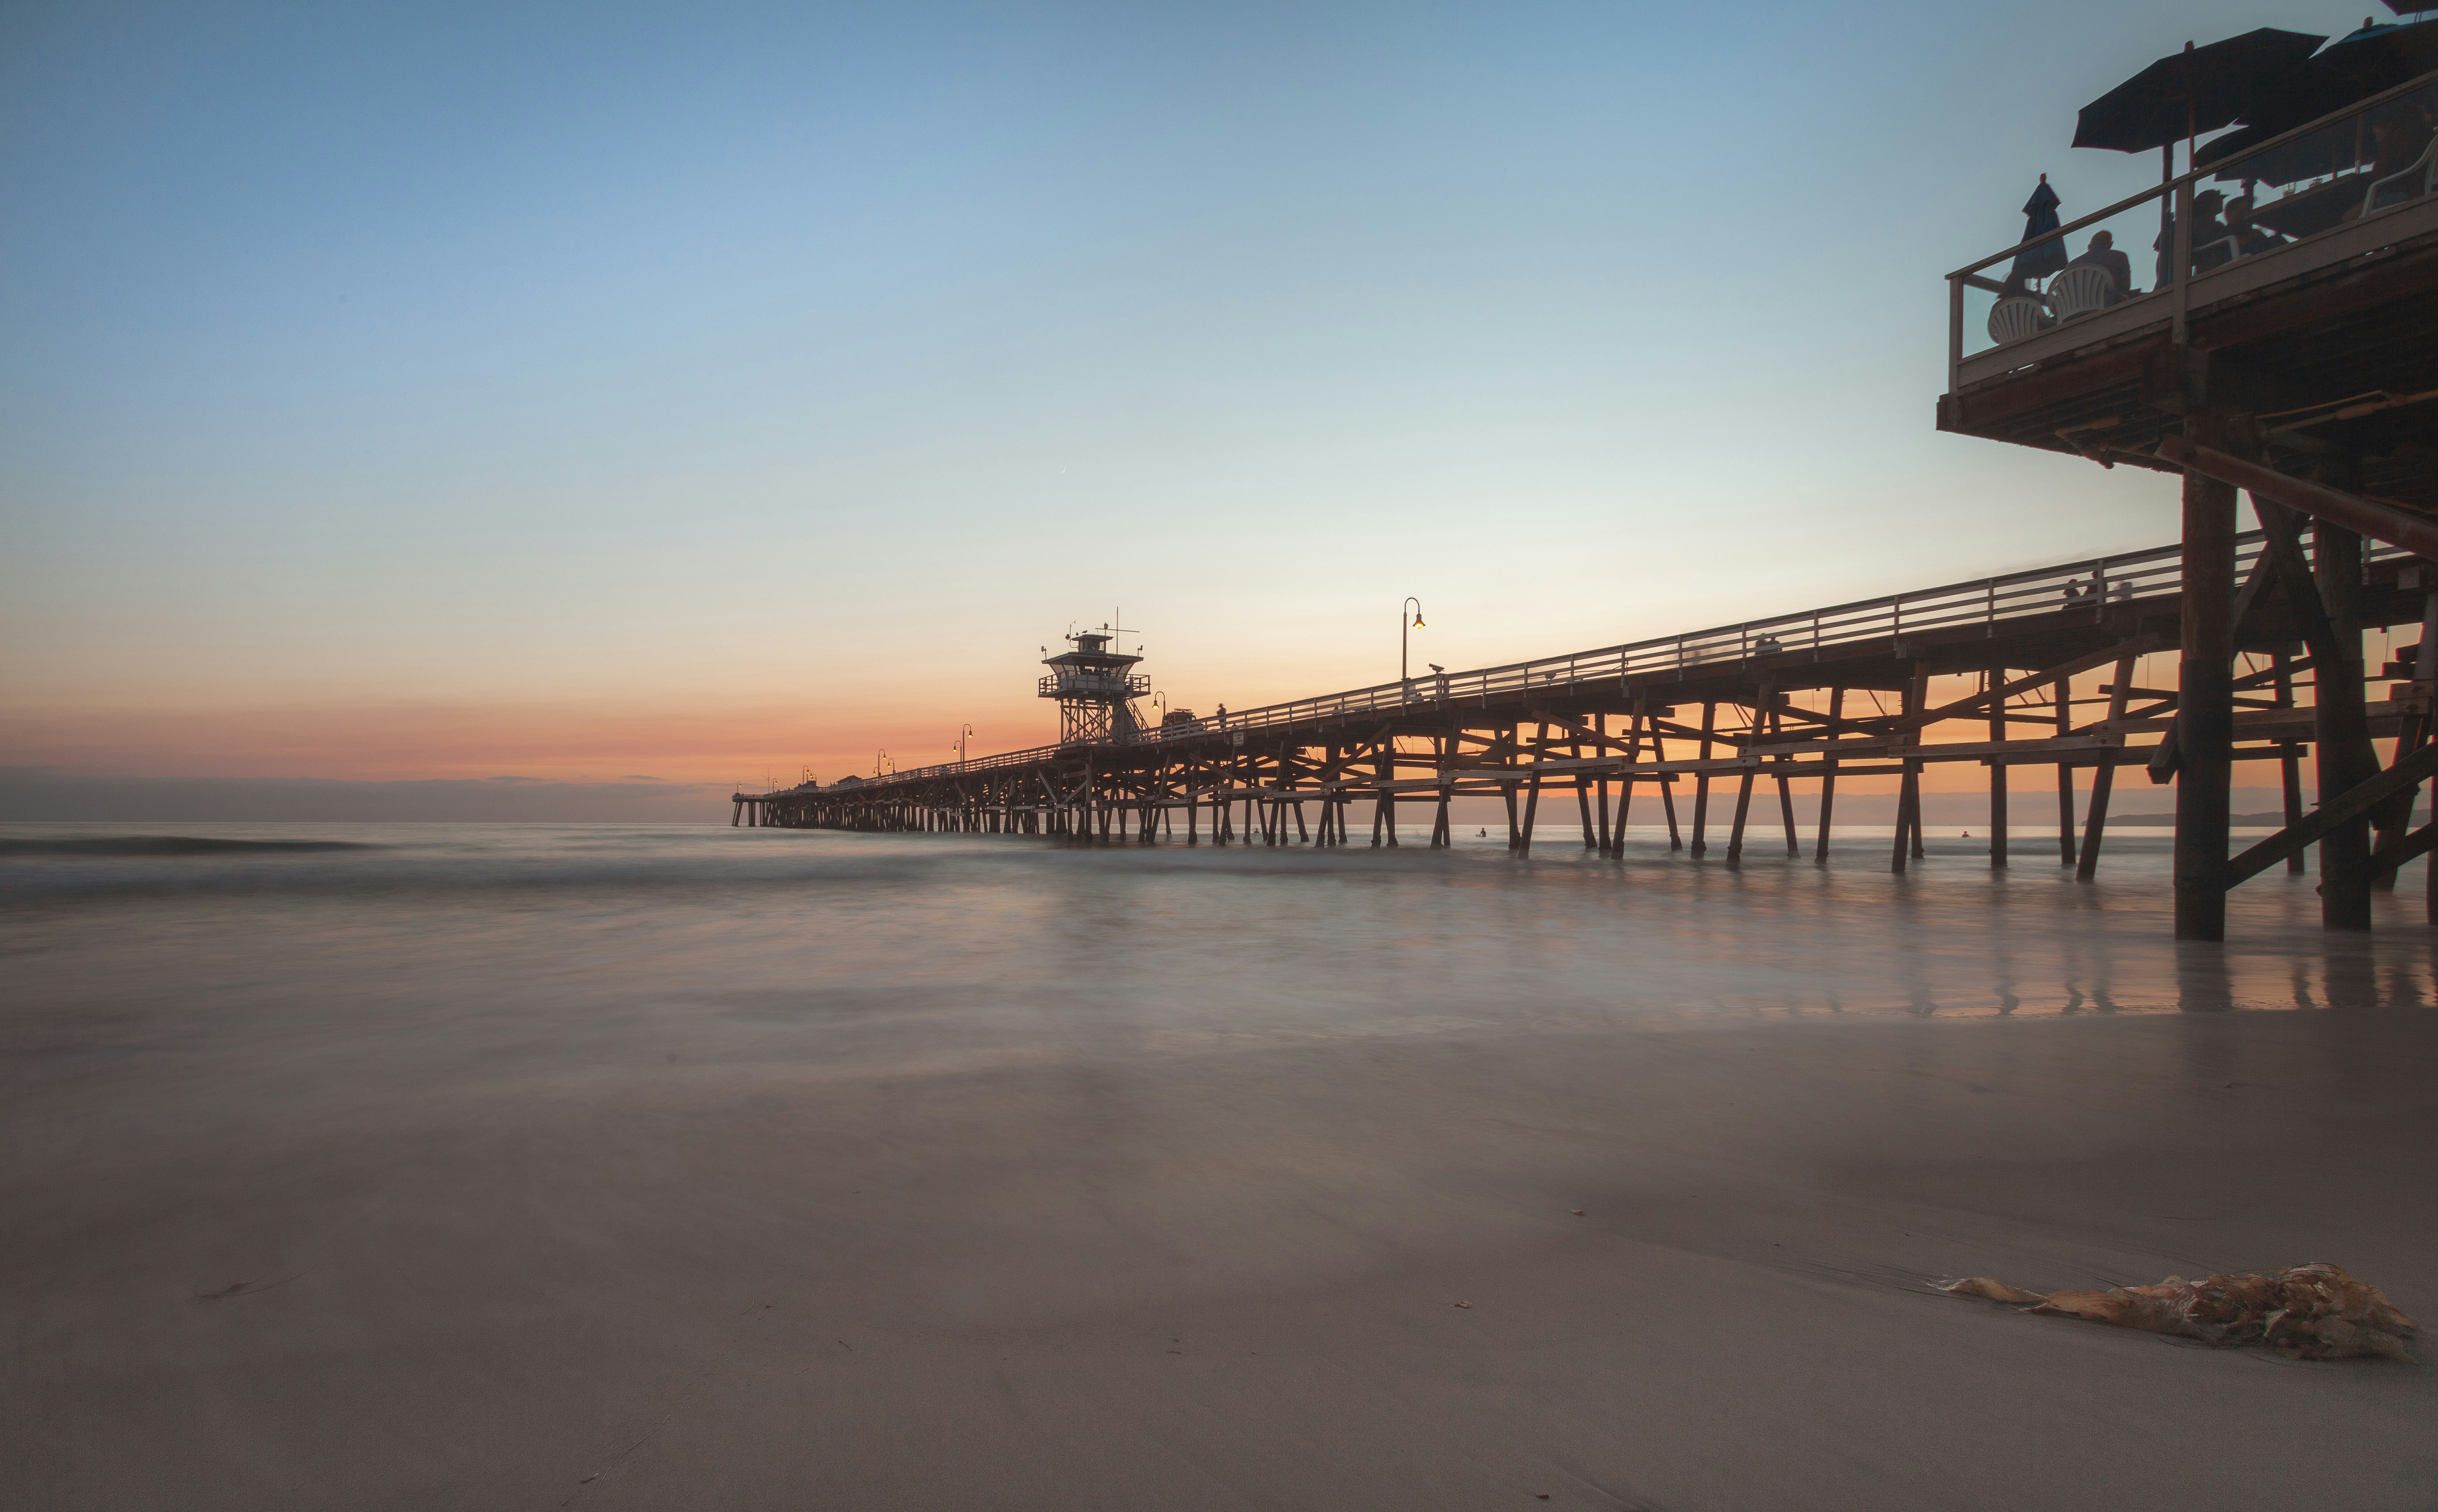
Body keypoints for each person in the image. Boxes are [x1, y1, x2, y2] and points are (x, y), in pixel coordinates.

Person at [2061, 231, 2133, 304]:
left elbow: (2062, 292)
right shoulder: (2120, 257)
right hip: (2107, 306)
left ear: (2089, 247)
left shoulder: (2071, 265)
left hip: (2075, 310)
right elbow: (2125, 287)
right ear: (2111, 244)